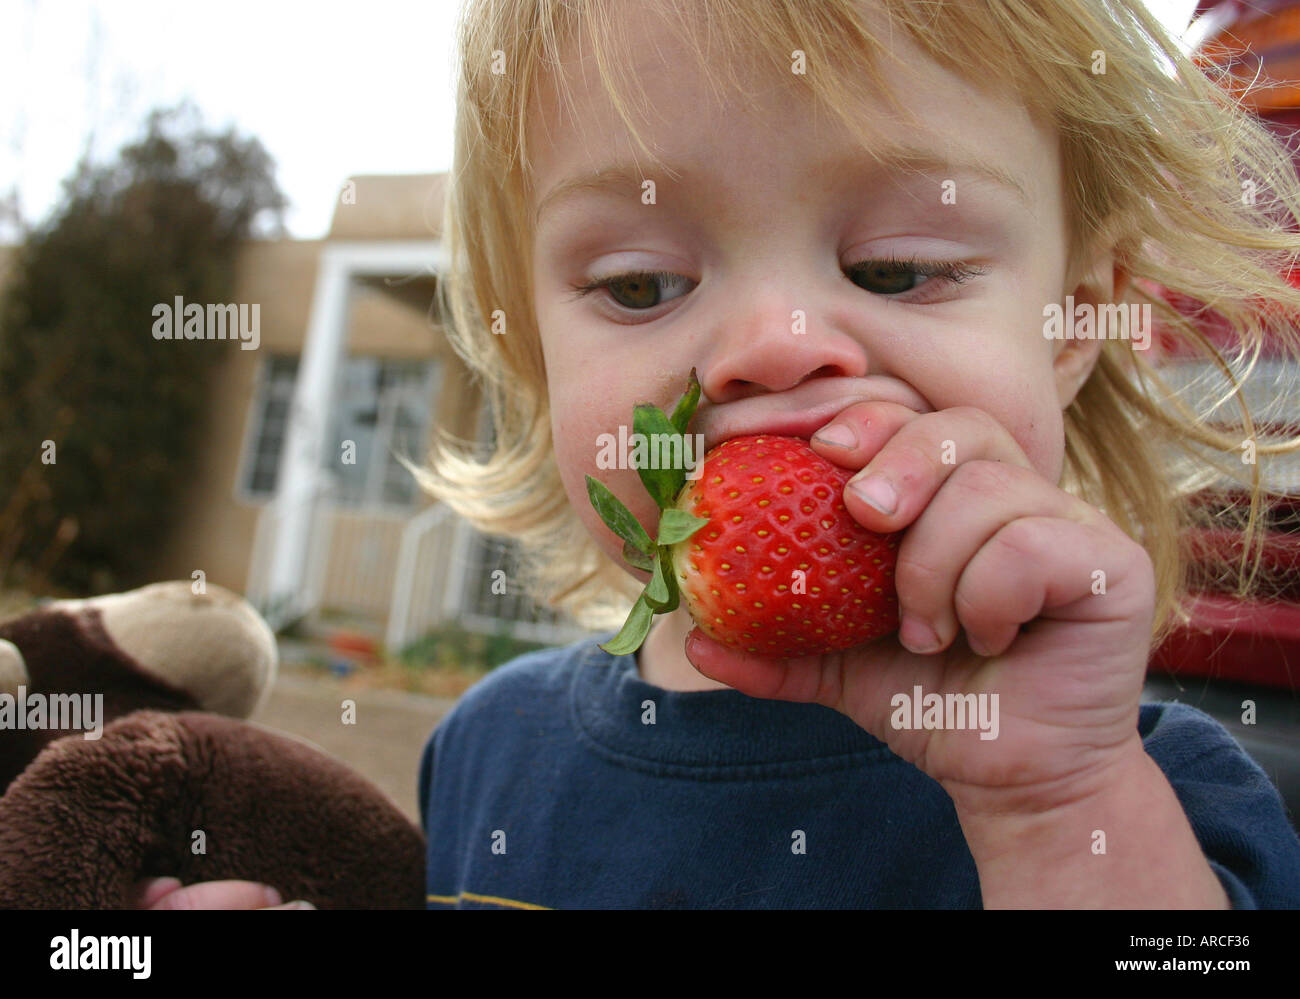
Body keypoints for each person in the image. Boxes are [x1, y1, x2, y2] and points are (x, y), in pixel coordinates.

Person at [150, 0, 1300, 909]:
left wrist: (1054, 814)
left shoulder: (1151, 802)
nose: (772, 347)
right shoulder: (489, 750)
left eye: (895, 268)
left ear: (1072, 320)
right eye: (640, 286)